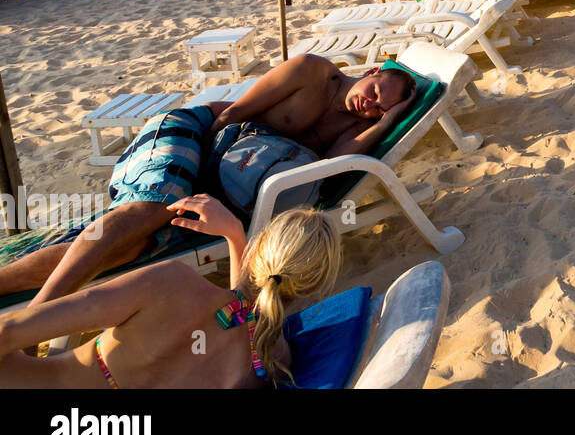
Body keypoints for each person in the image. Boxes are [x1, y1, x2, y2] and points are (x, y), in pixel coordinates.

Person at [0, 56, 417, 307]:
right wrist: (194, 178)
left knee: (138, 243)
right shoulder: (312, 71)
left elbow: (330, 165)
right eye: (377, 90)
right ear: (373, 69)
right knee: (148, 211)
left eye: (378, 109)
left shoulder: (351, 127)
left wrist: (389, 120)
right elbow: (231, 114)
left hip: (222, 180)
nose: (371, 103)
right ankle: (40, 315)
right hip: (197, 135)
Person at [0, 205, 341, 388]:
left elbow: (9, 332)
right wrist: (235, 238)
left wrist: (236, 234)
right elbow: (238, 313)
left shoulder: (170, 284)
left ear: (261, 245)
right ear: (311, 288)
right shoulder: (272, 362)